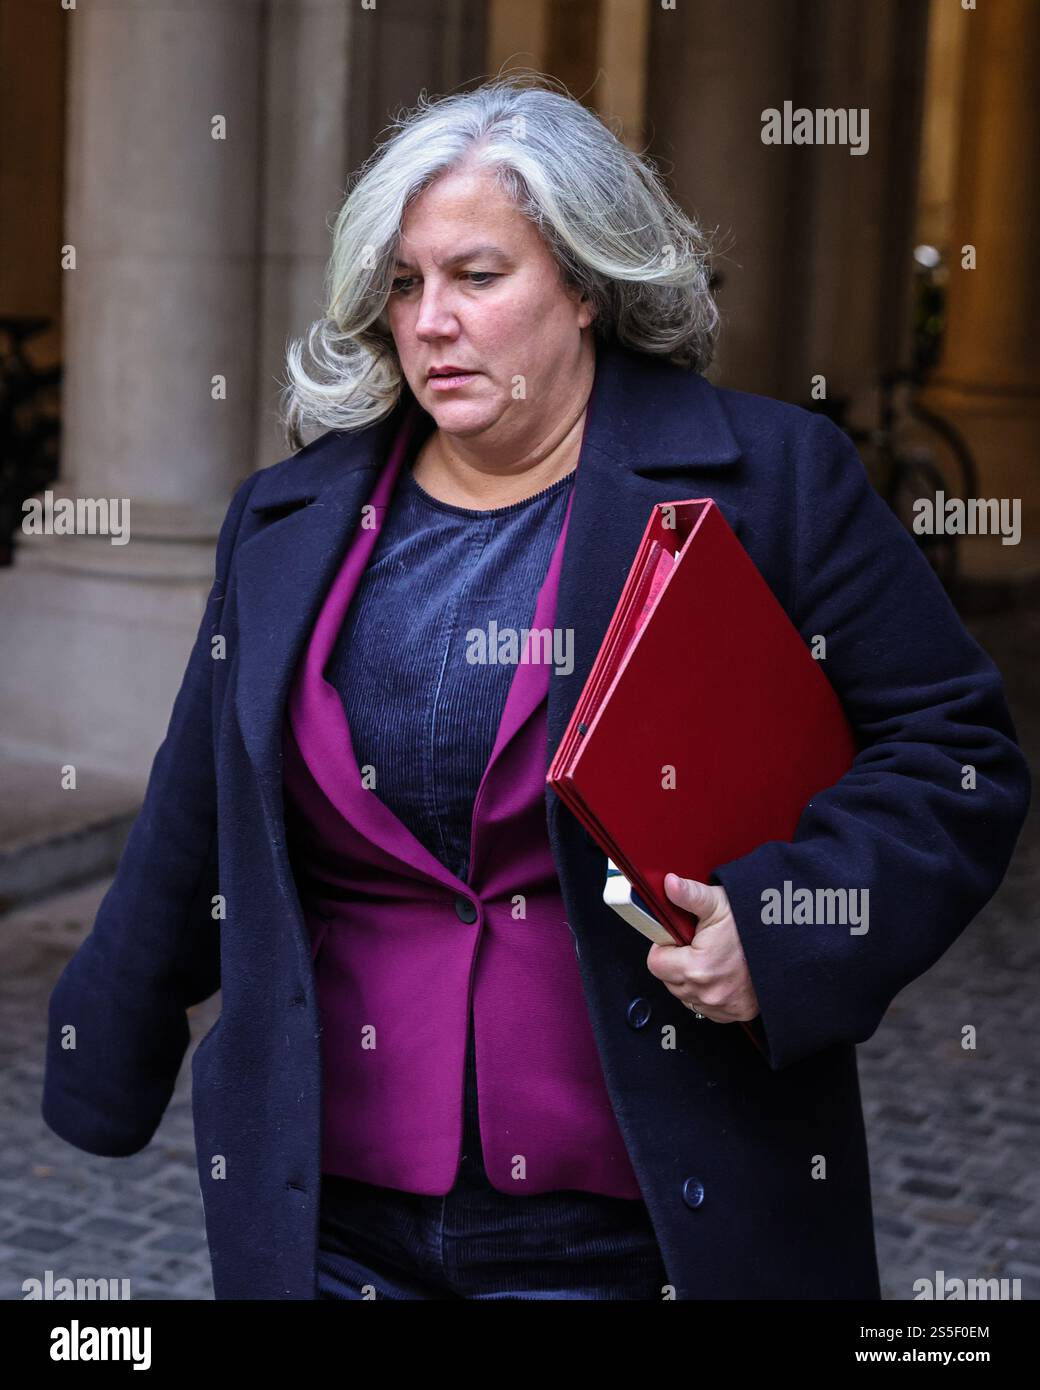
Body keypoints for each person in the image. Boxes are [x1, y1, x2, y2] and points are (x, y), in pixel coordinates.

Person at [42, 74, 1030, 1301]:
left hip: (635, 1216)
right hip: (330, 1214)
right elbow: (200, 804)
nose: (429, 321)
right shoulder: (288, 519)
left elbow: (953, 754)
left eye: (476, 276)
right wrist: (108, 1048)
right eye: (404, 284)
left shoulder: (774, 482)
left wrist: (785, 928)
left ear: (582, 285)